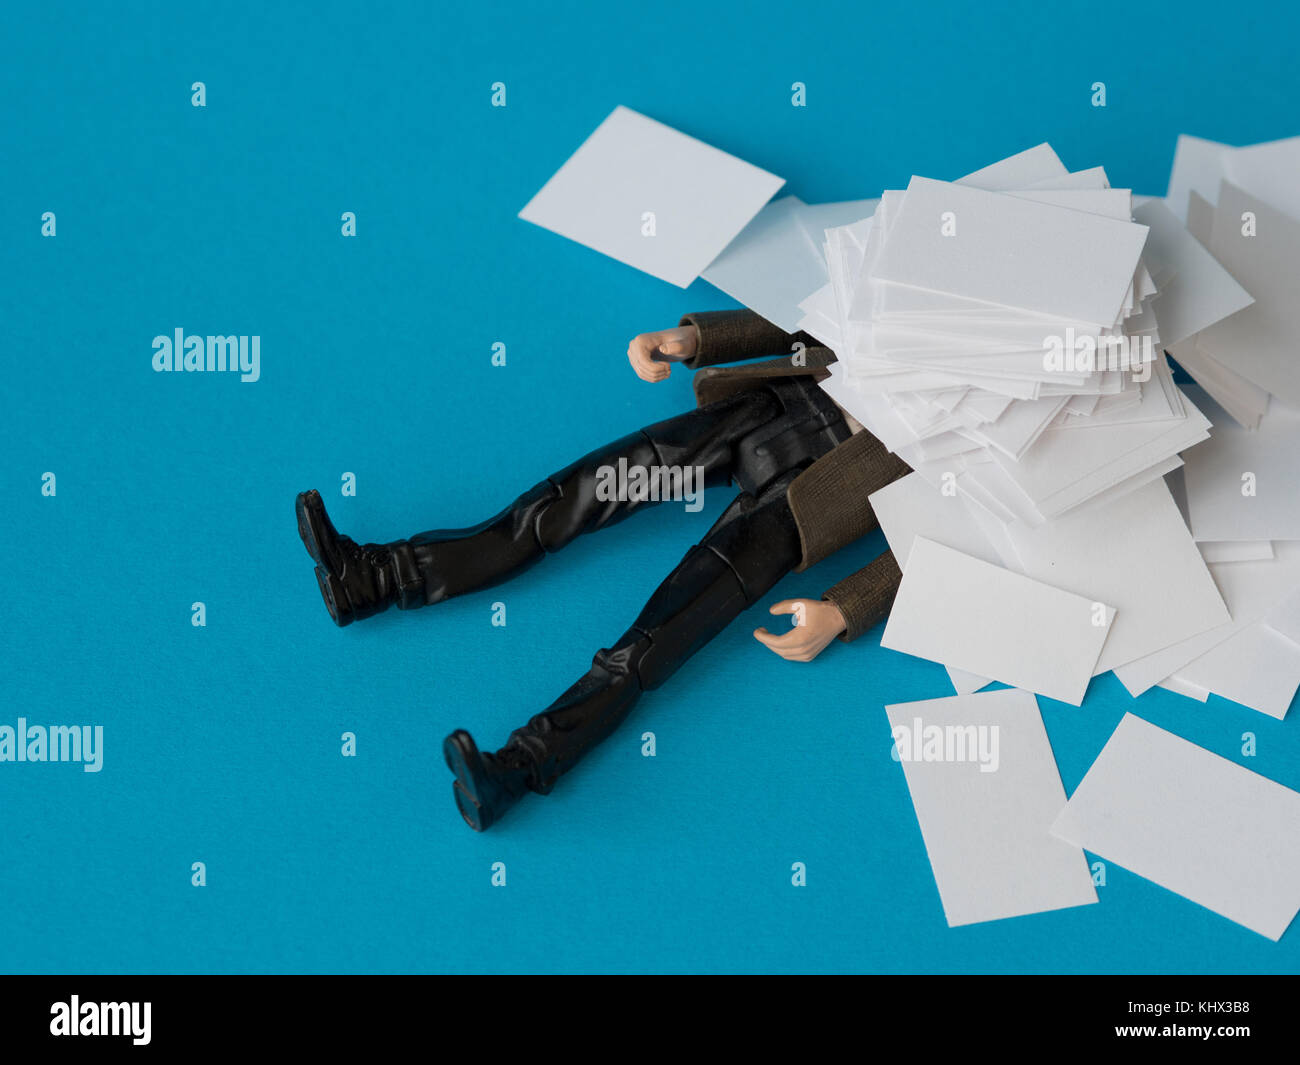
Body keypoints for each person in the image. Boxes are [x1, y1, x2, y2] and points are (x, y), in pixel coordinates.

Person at [294, 309, 910, 830]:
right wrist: (696, 338)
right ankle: (378, 577)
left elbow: (959, 527)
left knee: (655, 640)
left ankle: (519, 766)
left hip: (806, 506)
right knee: (568, 499)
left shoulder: (1009, 421)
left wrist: (846, 607)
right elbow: (823, 310)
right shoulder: (940, 279)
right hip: (768, 407)